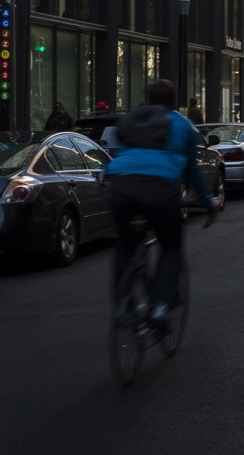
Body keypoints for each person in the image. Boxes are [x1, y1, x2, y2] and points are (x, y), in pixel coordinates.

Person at [104, 77, 214, 329]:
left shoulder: (132, 118)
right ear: (174, 102)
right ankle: (160, 308)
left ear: (149, 99)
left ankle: (125, 304)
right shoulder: (183, 125)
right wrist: (206, 200)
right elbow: (191, 169)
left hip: (120, 184)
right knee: (171, 247)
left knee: (125, 242)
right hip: (160, 188)